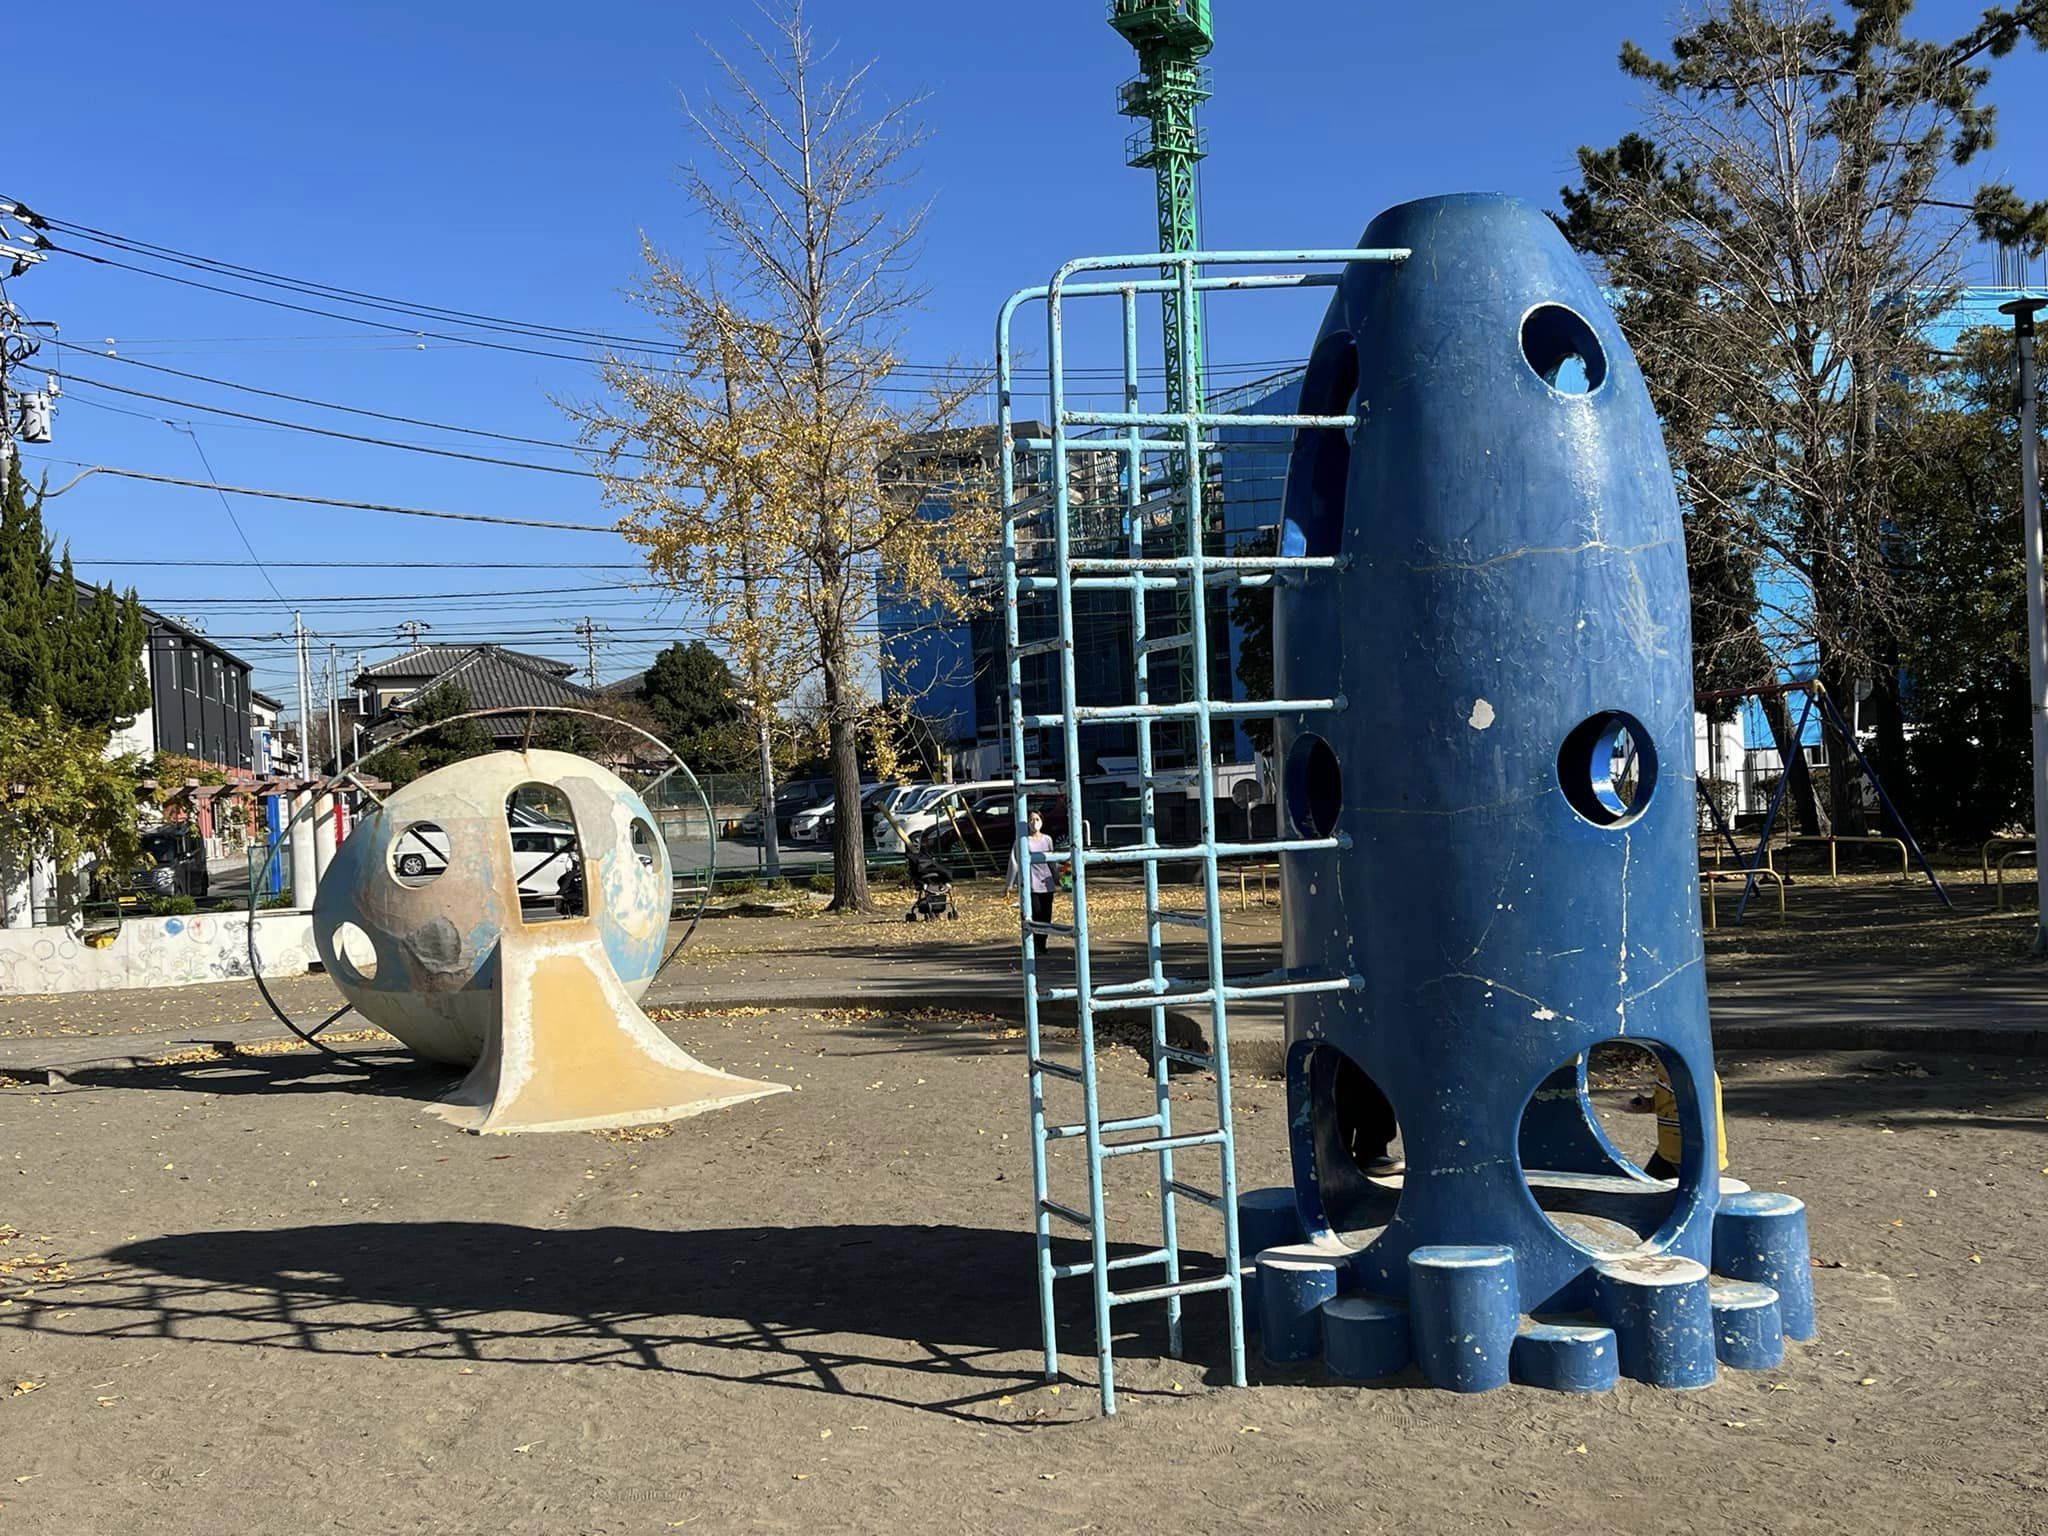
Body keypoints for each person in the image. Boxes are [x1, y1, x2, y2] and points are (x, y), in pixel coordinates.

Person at [1006, 808, 1058, 955]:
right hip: (1031, 884)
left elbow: (1052, 861)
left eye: (1037, 819)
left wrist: (1057, 878)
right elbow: (1014, 861)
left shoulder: (1047, 839)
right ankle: (1034, 943)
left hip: (1046, 884)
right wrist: (1010, 884)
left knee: (1046, 915)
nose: (1034, 823)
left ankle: (1042, 944)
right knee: (1035, 913)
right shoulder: (1023, 840)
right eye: (1031, 820)